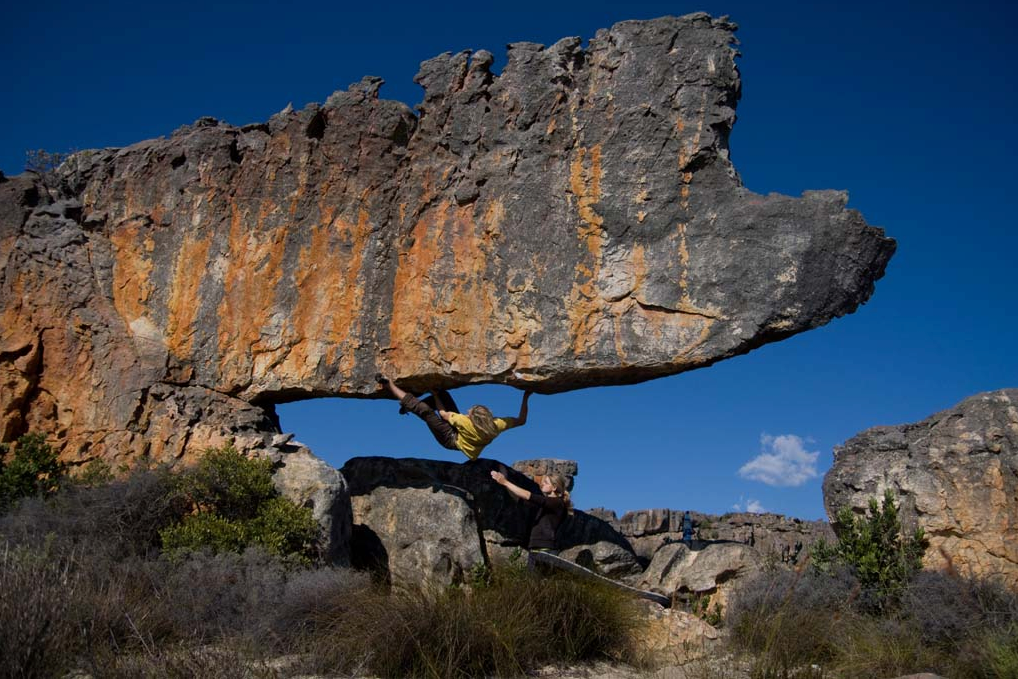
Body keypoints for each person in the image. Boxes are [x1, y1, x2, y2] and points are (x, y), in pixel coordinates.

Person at [375, 373, 531, 460]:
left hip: (450, 440)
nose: (466, 411)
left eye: (469, 412)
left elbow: (443, 414)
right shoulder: (497, 425)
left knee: (426, 411)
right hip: (461, 433)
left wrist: (435, 395)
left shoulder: (463, 422)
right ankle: (409, 403)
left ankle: (390, 385)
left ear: (472, 419)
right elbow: (521, 420)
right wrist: (526, 397)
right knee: (445, 396)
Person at [489, 470, 573, 556]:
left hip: (546, 549)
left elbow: (528, 495)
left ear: (554, 487)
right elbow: (519, 498)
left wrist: (505, 482)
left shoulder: (557, 503)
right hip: (536, 548)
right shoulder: (546, 504)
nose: (542, 484)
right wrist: (504, 482)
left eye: (546, 482)